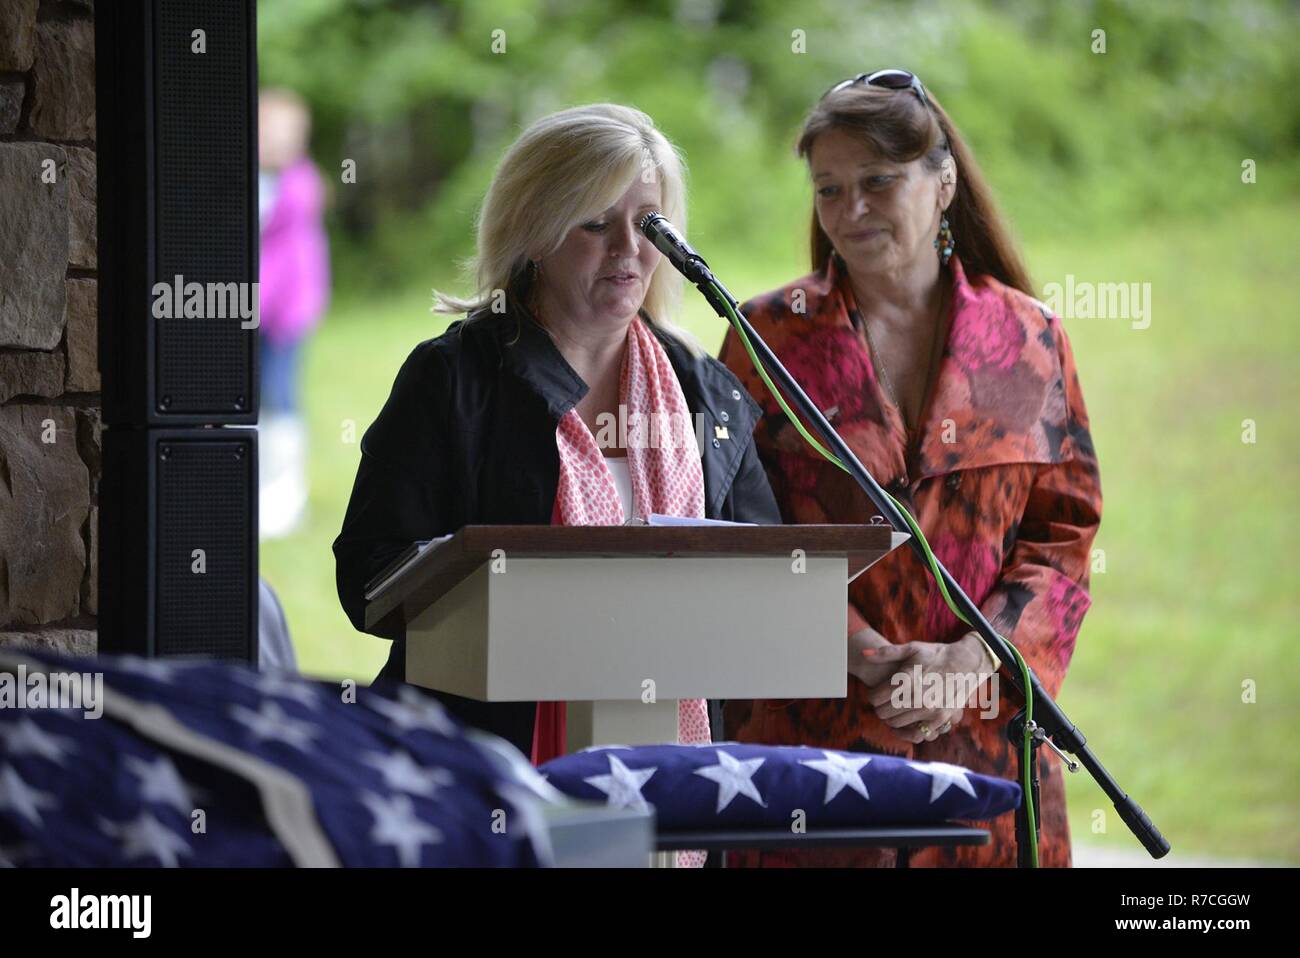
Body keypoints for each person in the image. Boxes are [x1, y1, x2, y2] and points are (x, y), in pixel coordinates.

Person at [718, 70, 1102, 867]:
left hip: (990, 754)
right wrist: (858, 651)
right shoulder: (765, 340)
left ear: (944, 182)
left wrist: (971, 660)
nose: (850, 210)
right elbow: (737, 531)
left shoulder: (1030, 338)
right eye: (829, 189)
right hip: (815, 752)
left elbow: (1064, 535)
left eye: (878, 181)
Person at [333, 103, 781, 768]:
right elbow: (371, 578)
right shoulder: (453, 377)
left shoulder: (702, 392)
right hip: (482, 767)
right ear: (533, 231)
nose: (629, 249)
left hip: (670, 769)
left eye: (649, 224)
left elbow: (773, 581)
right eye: (596, 223)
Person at [257, 87, 330, 538]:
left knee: (281, 398)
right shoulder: (258, 181)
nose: (275, 142)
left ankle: (286, 497)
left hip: (283, 317)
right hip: (252, 312)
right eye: (267, 132)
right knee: (256, 402)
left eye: (285, 134)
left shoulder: (299, 185)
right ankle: (260, 486)